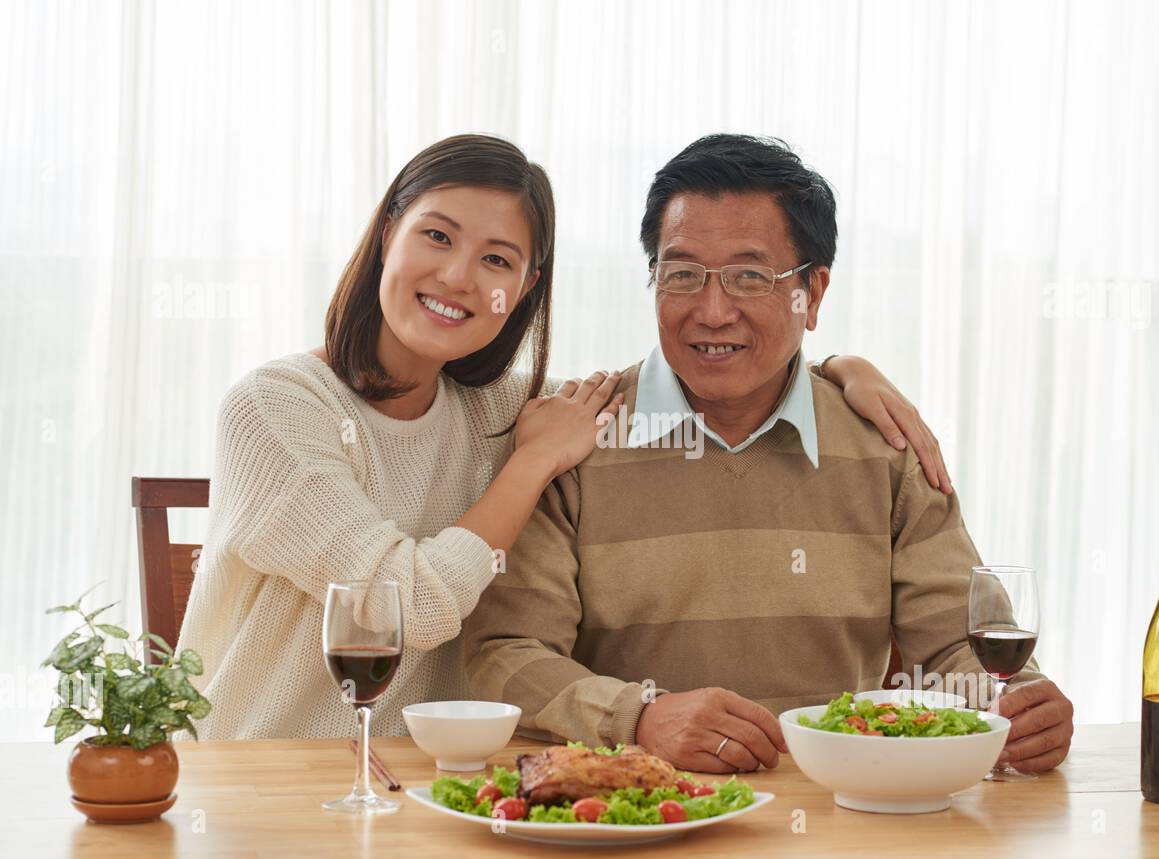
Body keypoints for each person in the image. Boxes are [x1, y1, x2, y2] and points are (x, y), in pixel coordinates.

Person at [178, 133, 955, 739]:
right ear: (387, 234)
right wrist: (535, 461)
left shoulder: (515, 409)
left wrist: (842, 369)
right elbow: (410, 607)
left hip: (430, 781)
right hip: (267, 766)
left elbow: (724, 373)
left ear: (525, 288)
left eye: (496, 259)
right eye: (437, 236)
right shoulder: (278, 407)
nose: (457, 277)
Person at [462, 134, 1074, 774]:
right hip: (632, 817)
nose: (712, 310)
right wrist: (637, 717)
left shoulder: (887, 444)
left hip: (841, 814)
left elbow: (956, 646)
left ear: (813, 293)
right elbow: (505, 653)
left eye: (751, 276)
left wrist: (1016, 702)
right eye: (682, 274)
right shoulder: (575, 441)